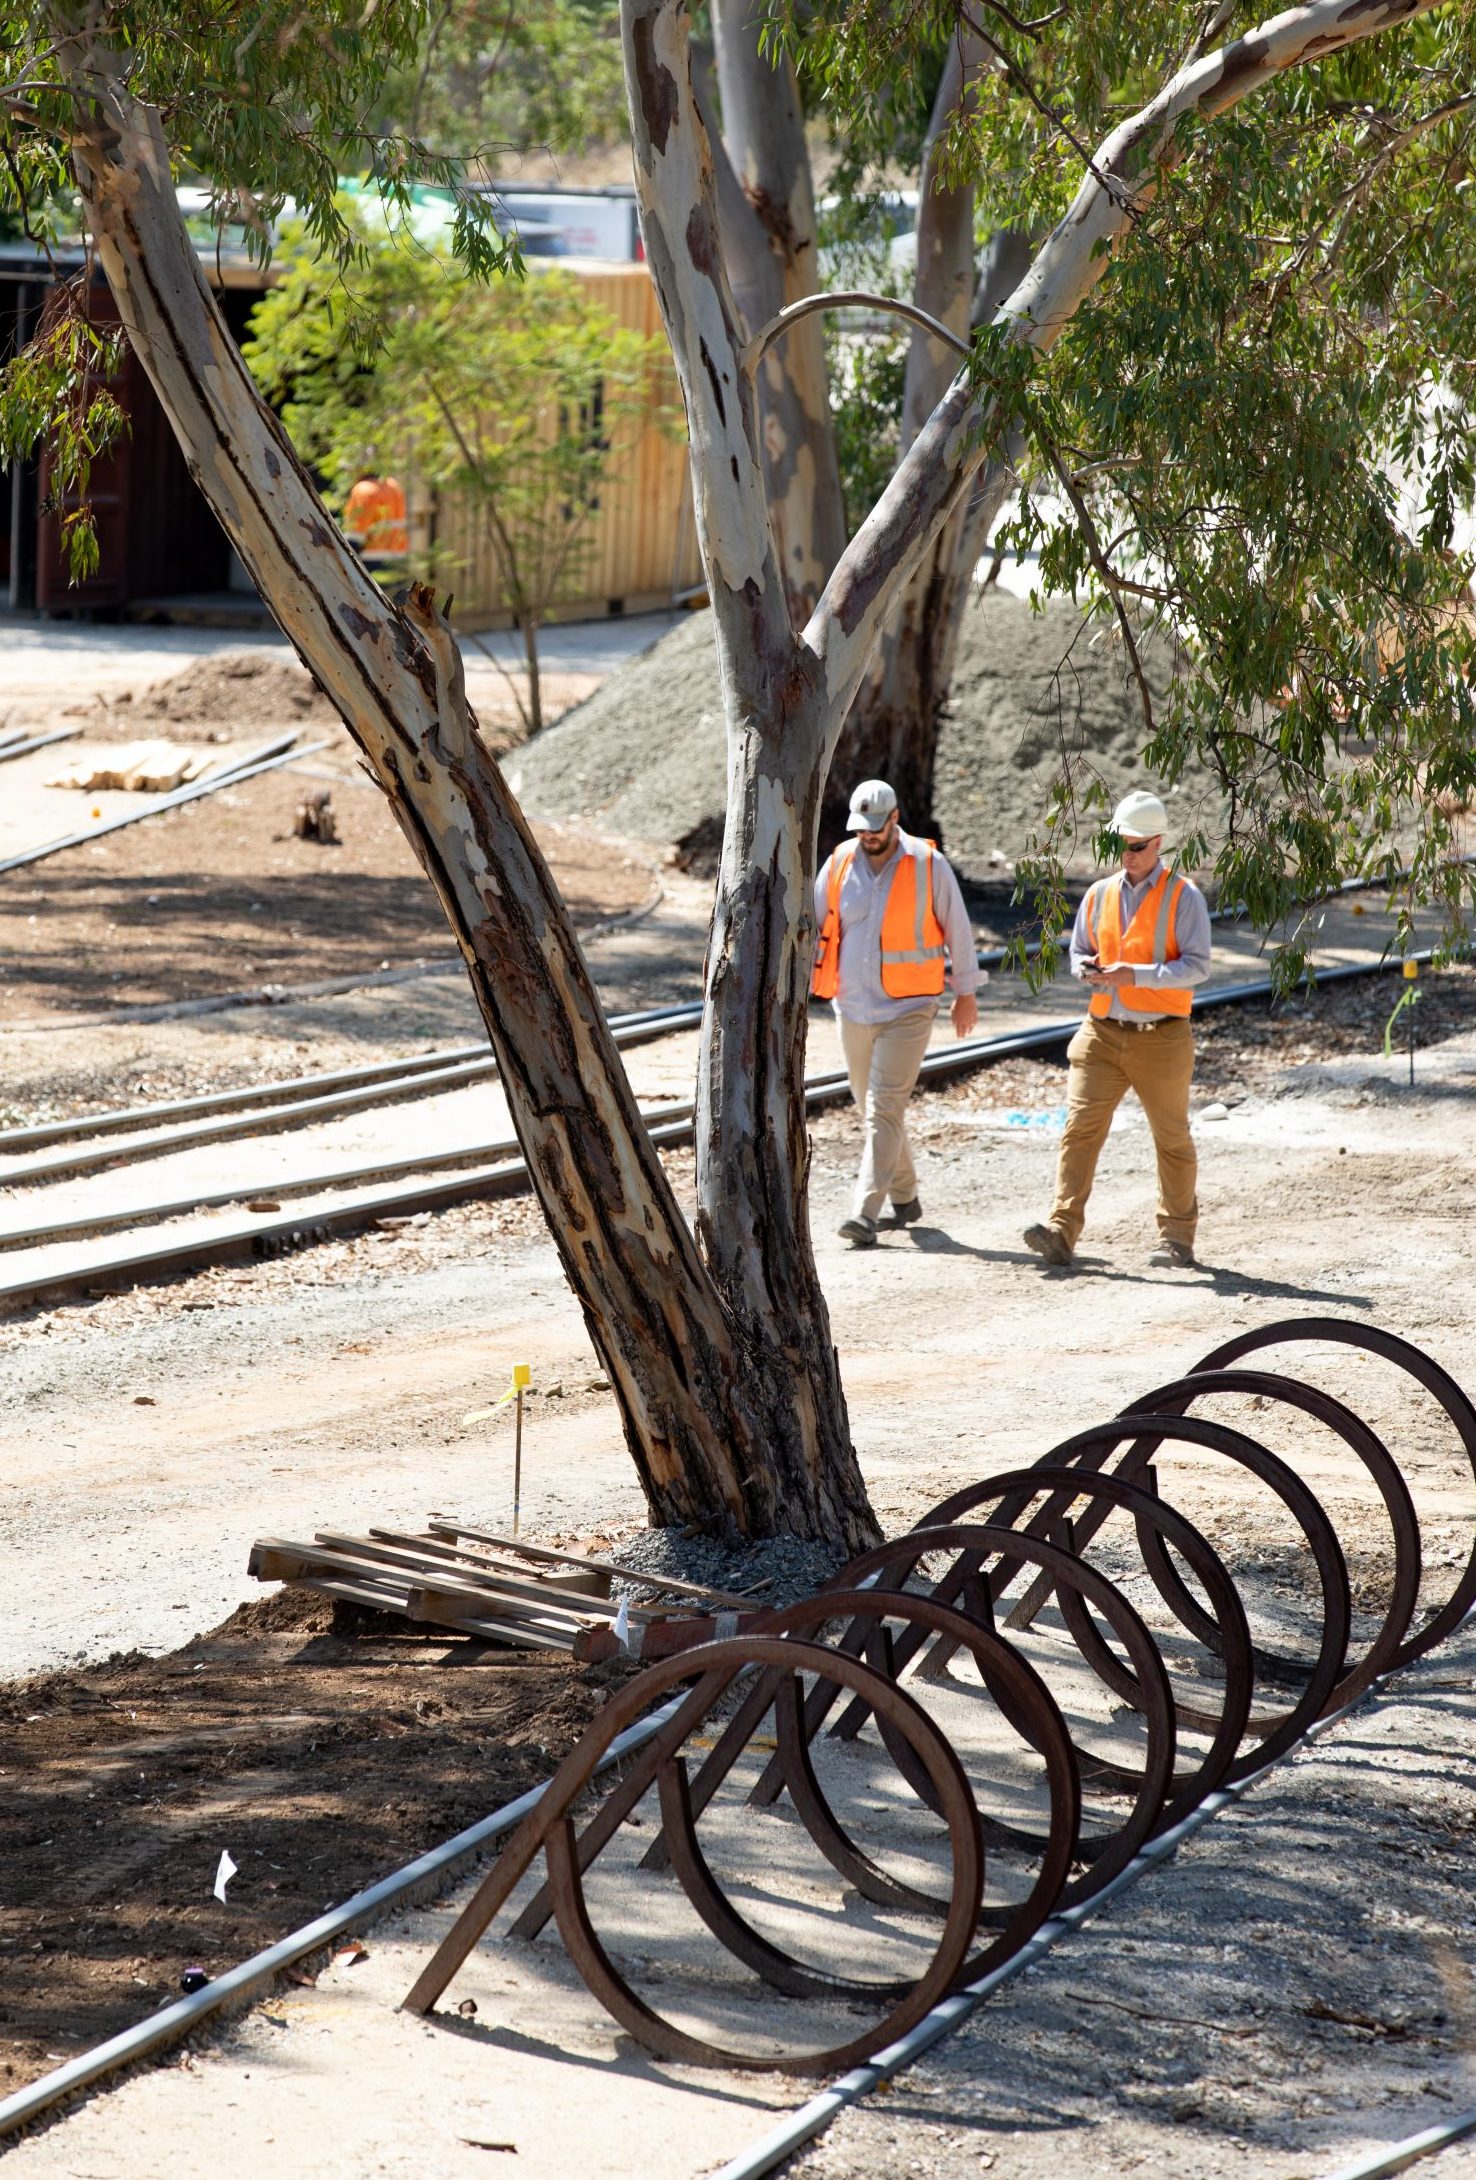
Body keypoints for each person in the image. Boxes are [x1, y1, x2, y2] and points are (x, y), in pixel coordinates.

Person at [1023, 789, 1211, 1271]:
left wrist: (1137, 975)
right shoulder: (1099, 894)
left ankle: (1177, 1240)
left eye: (1137, 846)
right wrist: (1086, 968)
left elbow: (1197, 967)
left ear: (1159, 843)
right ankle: (1061, 1231)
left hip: (1163, 1037)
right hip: (1101, 1033)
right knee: (1079, 1131)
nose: (1128, 855)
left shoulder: (1183, 897)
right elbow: (1079, 950)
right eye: (1121, 845)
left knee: (1171, 1139)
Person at [813, 778, 982, 1249]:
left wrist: (965, 993)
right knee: (875, 1110)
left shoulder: (929, 865)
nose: (868, 835)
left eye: (875, 826)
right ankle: (906, 1198)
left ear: (895, 818)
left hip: (910, 1008)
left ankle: (863, 1214)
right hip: (852, 1007)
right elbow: (814, 923)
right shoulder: (841, 862)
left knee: (884, 1108)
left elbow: (959, 931)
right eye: (861, 827)